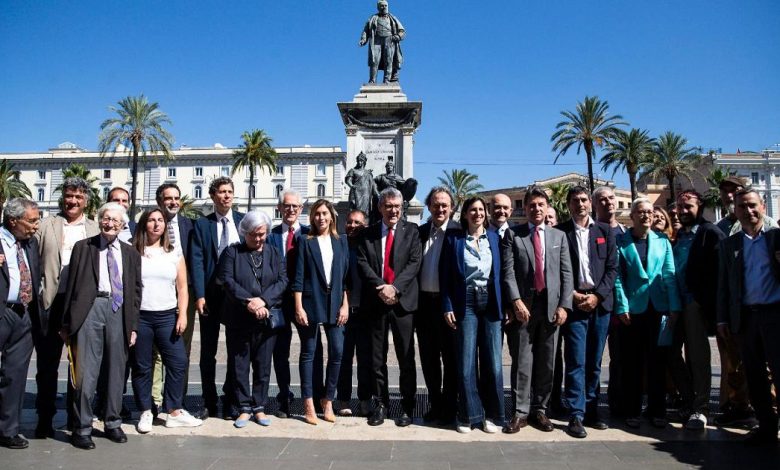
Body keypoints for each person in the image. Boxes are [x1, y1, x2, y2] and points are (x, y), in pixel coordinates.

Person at [61, 202, 142, 449]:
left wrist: (133, 326)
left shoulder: (130, 253)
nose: (109, 224)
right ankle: (82, 427)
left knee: (116, 372)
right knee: (85, 372)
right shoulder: (83, 248)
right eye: (106, 219)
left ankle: (112, 422)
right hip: (89, 309)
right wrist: (67, 322)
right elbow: (71, 286)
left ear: (123, 225)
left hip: (118, 312)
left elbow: (136, 291)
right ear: (99, 220)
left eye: (115, 221)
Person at [502, 186, 573, 434]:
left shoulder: (559, 237)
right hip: (525, 308)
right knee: (522, 361)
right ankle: (520, 412)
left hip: (551, 308)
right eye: (532, 205)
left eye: (540, 204)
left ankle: (540, 410)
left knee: (547, 362)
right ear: (526, 207)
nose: (536, 209)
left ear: (546, 206)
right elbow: (508, 272)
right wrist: (515, 300)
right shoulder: (514, 235)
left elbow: (567, 274)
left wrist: (565, 305)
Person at [34, 177, 100, 438]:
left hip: (80, 305)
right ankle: (44, 418)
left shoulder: (95, 229)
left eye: (78, 197)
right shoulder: (46, 225)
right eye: (69, 196)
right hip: (51, 301)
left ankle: (76, 420)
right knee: (47, 365)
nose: (73, 201)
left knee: (80, 366)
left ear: (86, 200)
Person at [717, 188, 780, 445]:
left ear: (763, 206)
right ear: (735, 210)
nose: (748, 211)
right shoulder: (729, 244)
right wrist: (722, 319)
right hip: (746, 319)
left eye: (752, 205)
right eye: (742, 207)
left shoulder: (777, 237)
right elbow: (724, 285)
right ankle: (766, 427)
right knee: (754, 378)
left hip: (775, 315)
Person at [131, 209, 202, 433]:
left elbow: (182, 287)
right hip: (141, 317)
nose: (156, 224)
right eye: (151, 220)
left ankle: (174, 411)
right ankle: (145, 411)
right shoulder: (133, 253)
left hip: (166, 316)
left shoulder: (174, 253)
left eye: (160, 220)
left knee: (178, 362)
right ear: (144, 225)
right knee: (142, 366)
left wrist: (182, 314)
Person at [614, 198, 682, 429]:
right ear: (632, 216)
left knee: (657, 363)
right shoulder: (621, 241)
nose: (646, 216)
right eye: (640, 212)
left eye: (649, 212)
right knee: (632, 363)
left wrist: (674, 307)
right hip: (633, 310)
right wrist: (622, 306)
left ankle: (657, 410)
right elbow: (617, 278)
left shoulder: (662, 241)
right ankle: (632, 410)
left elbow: (669, 274)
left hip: (659, 308)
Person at [556, 187, 617, 438]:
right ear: (568, 205)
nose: (580, 204)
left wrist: (597, 296)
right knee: (576, 361)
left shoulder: (604, 231)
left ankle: (592, 409)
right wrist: (572, 294)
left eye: (583, 200)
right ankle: (576, 415)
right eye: (575, 201)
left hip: (600, 305)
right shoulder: (560, 233)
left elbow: (613, 268)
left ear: (590, 204)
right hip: (575, 305)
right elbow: (555, 270)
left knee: (594, 362)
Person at [357, 187, 421, 427]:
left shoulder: (412, 231)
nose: (393, 210)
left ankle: (407, 405)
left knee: (406, 357)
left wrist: (394, 288)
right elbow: (363, 263)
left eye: (397, 206)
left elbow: (414, 263)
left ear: (402, 207)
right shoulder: (368, 234)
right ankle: (381, 403)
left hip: (403, 303)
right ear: (380, 207)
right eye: (389, 206)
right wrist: (382, 287)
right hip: (376, 303)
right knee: (377, 358)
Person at [218, 210, 287, 428]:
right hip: (239, 318)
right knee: (239, 365)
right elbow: (227, 281)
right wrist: (250, 302)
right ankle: (243, 407)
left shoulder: (274, 253)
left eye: (262, 234)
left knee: (263, 365)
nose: (258, 239)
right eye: (254, 235)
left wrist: (263, 301)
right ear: (244, 233)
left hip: (266, 319)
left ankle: (259, 407)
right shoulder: (232, 253)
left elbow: (283, 280)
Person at [441, 197, 505, 434]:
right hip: (464, 301)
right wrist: (447, 305)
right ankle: (468, 414)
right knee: (466, 362)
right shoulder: (454, 240)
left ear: (485, 214)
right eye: (472, 210)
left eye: (481, 210)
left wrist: (506, 306)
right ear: (465, 214)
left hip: (491, 301)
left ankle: (493, 414)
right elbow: (445, 276)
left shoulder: (495, 239)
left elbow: (504, 274)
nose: (477, 214)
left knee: (493, 362)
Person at [671, 190, 726, 431]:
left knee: (698, 357)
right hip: (674, 304)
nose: (683, 211)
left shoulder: (711, 233)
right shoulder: (677, 236)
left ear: (700, 206)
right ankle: (687, 398)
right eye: (680, 206)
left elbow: (721, 273)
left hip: (695, 304)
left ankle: (700, 408)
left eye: (688, 206)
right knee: (670, 353)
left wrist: (708, 305)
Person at [190, 176, 244, 419]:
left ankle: (232, 397)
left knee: (236, 350)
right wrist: (199, 295)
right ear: (213, 196)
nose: (226, 196)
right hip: (211, 296)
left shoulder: (243, 222)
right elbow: (197, 261)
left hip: (236, 298)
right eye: (221, 192)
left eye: (229, 191)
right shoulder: (202, 225)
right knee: (208, 351)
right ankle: (209, 400)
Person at [292, 200, 350, 425]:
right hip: (311, 302)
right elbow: (298, 277)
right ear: (312, 217)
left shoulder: (340, 241)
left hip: (335, 303)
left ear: (332, 216)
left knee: (337, 351)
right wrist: (298, 307)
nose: (321, 218)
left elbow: (345, 278)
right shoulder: (305, 242)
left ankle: (328, 400)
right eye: (317, 214)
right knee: (308, 352)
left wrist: (345, 305)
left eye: (325, 213)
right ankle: (308, 403)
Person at [267, 188, 318, 418]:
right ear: (279, 208)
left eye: (295, 206)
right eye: (286, 205)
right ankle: (284, 396)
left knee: (311, 350)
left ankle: (313, 396)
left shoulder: (310, 234)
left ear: (301, 209)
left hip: (305, 302)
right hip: (278, 302)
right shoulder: (270, 235)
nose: (290, 210)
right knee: (280, 352)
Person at [713, 176, 756, 426]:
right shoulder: (720, 229)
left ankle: (764, 411)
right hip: (734, 310)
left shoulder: (770, 229)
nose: (729, 196)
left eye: (735, 191)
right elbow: (722, 279)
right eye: (725, 192)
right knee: (733, 363)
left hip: (763, 309)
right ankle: (737, 407)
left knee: (763, 366)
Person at [416, 187, 459, 425]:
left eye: (444, 204)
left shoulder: (459, 233)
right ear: (428, 207)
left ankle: (450, 407)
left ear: (451, 208)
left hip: (448, 308)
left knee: (451, 360)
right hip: (424, 306)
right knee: (429, 360)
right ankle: (435, 404)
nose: (440, 208)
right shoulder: (420, 232)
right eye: (435, 204)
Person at [0, 199, 40, 449]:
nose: (36, 226)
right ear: (13, 221)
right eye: (32, 221)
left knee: (15, 375)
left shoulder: (30, 243)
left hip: (24, 314)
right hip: (2, 310)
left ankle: (8, 429)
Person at [156, 183, 195, 399]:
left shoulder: (191, 225)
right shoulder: (151, 224)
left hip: (184, 293)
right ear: (159, 201)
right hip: (157, 293)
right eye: (168, 198)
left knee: (183, 348)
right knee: (156, 350)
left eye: (176, 198)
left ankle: (178, 398)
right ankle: (154, 399)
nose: (173, 202)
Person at [593, 185, 626, 417]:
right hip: (598, 304)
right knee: (593, 358)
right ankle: (591, 405)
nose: (608, 202)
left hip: (622, 307)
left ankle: (617, 403)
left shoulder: (626, 232)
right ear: (595, 205)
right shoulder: (592, 231)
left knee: (620, 359)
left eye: (611, 198)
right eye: (602, 199)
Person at [336, 210, 373, 417]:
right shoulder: (339, 245)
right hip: (344, 311)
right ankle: (342, 399)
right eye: (349, 222)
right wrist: (344, 301)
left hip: (366, 311)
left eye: (357, 222)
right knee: (343, 358)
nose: (352, 225)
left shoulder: (368, 245)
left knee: (365, 358)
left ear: (365, 225)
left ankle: (365, 399)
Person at [359, 0, 405, 84]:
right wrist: (363, 39)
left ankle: (387, 80)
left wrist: (398, 36)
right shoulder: (373, 18)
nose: (384, 7)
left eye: (385, 6)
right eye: (382, 6)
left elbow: (402, 31)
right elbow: (366, 30)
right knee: (374, 60)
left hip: (389, 40)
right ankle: (372, 80)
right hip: (376, 40)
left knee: (389, 60)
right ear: (378, 7)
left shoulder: (392, 18)